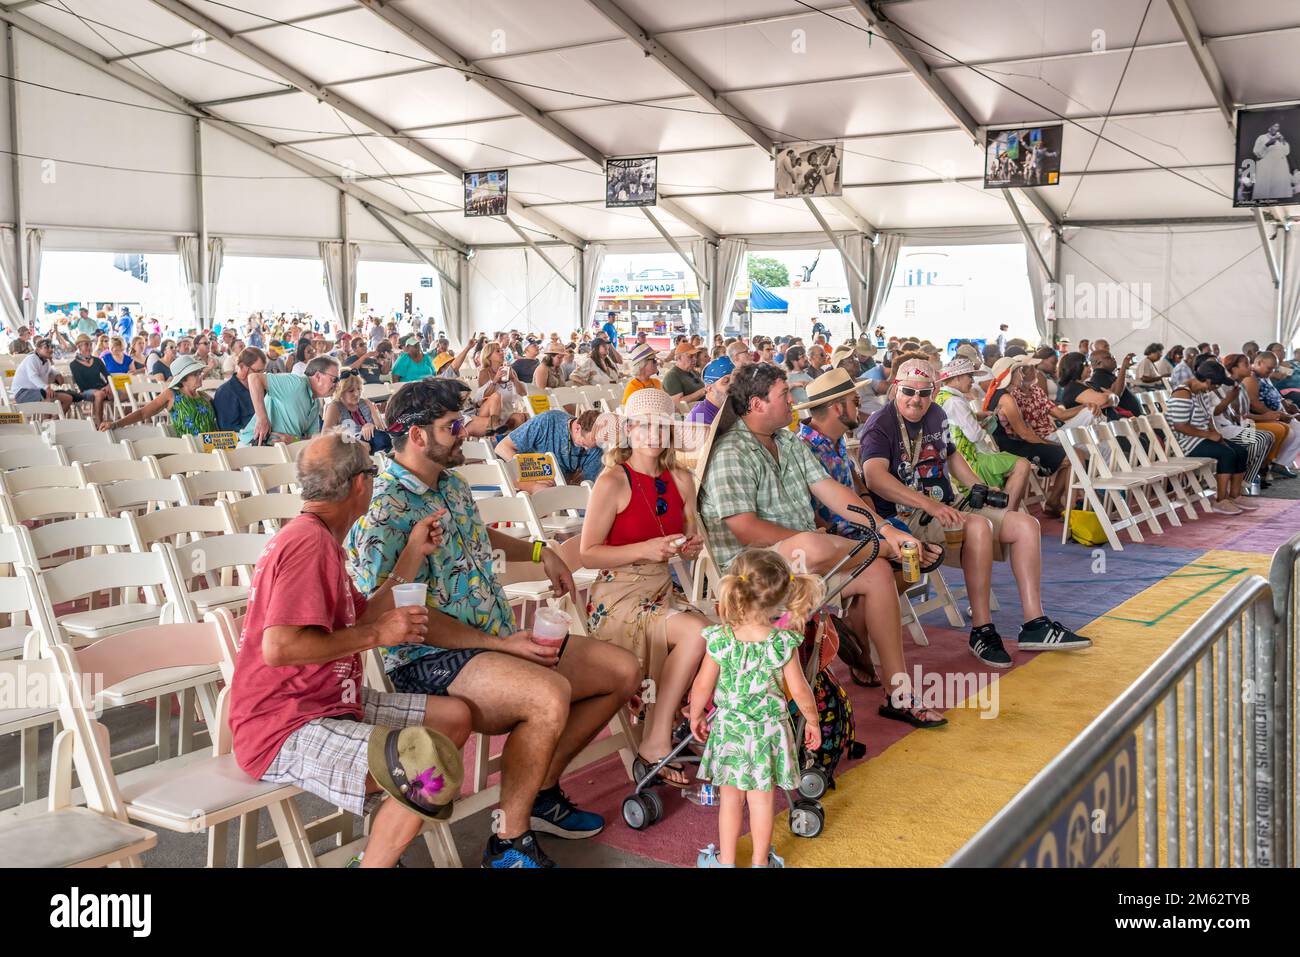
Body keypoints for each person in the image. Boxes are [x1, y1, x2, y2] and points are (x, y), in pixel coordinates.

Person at [345, 379, 640, 868]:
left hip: (493, 640)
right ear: (417, 436)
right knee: (546, 696)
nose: (464, 431)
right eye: (451, 425)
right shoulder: (384, 510)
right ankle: (509, 840)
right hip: (427, 661)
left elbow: (477, 534)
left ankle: (539, 788)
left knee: (621, 671)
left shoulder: (452, 484)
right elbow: (392, 614)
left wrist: (540, 551)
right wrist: (500, 645)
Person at [227, 431, 470, 868]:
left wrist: (412, 553)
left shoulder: (320, 540)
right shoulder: (307, 544)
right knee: (423, 764)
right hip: (284, 724)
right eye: (373, 474)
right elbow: (279, 647)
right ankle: (375, 862)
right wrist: (380, 636)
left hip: (329, 702)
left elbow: (363, 616)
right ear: (360, 484)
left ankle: (382, 837)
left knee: (454, 719)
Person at [698, 362, 933, 712]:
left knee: (878, 573)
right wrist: (874, 539)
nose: (792, 402)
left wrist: (882, 525)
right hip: (750, 572)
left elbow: (832, 491)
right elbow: (746, 529)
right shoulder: (730, 452)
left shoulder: (787, 440)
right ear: (756, 404)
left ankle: (899, 694)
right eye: (784, 395)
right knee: (815, 543)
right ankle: (882, 549)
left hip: (800, 559)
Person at [862, 358, 1091, 667]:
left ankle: (1034, 623)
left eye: (925, 392)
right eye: (908, 391)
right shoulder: (881, 423)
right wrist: (930, 504)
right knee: (979, 526)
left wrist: (977, 487)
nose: (916, 399)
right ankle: (982, 630)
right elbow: (874, 477)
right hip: (905, 519)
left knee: (1026, 525)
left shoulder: (936, 414)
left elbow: (952, 457)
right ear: (894, 389)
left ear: (936, 390)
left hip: (945, 504)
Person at [794, 368, 946, 722]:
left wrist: (881, 522)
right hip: (834, 538)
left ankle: (855, 634)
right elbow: (813, 513)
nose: (858, 405)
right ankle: (864, 654)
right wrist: (879, 532)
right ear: (835, 408)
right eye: (852, 400)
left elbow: (857, 484)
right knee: (905, 557)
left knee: (916, 560)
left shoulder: (829, 443)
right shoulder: (803, 448)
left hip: (857, 531)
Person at [579, 388, 709, 787]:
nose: (652, 433)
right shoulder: (613, 480)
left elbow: (688, 548)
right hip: (617, 597)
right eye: (643, 425)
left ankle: (684, 724)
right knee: (700, 632)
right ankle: (655, 741)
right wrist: (646, 549)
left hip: (661, 591)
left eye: (662, 426)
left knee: (724, 633)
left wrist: (690, 547)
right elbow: (588, 555)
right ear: (629, 429)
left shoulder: (682, 479)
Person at [689, 548, 820, 869]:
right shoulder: (781, 643)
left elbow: (702, 686)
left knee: (730, 800)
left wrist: (695, 715)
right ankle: (761, 862)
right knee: (762, 802)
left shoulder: (721, 639)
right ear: (781, 596)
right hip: (768, 733)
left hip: (731, 730)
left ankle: (725, 861)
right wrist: (813, 721)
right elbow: (800, 691)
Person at [934, 358, 1030, 509]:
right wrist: (986, 425)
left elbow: (955, 422)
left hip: (957, 459)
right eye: (970, 376)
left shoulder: (941, 397)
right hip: (972, 460)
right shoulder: (955, 402)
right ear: (958, 377)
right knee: (1023, 464)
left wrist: (977, 416)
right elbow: (975, 435)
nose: (973, 381)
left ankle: (1003, 509)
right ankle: (1008, 513)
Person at [1166, 359, 1249, 514]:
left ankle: (1235, 495)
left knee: (1241, 451)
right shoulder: (1182, 394)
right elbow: (1180, 426)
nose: (1216, 388)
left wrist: (1214, 431)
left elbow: (1207, 417)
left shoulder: (1201, 392)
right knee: (1227, 454)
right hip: (1185, 442)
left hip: (1201, 437)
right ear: (1209, 381)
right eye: (1216, 385)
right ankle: (1220, 500)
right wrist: (1208, 434)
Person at [101, 354, 218, 437]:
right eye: (195, 374)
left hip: (214, 446)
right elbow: (143, 413)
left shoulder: (204, 396)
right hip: (190, 446)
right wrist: (115, 424)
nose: (200, 376)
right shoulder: (172, 394)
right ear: (183, 379)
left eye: (199, 373)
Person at [494, 408, 603, 491]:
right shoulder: (547, 421)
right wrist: (533, 482)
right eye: (584, 444)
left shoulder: (595, 448)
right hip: (521, 475)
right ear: (577, 428)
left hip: (557, 487)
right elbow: (502, 448)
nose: (587, 449)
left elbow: (587, 488)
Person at [243, 355, 340, 445]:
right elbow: (254, 378)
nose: (337, 384)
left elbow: (312, 439)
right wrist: (262, 418)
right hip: (255, 445)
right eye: (334, 380)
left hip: (280, 452)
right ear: (318, 376)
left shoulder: (315, 403)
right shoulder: (295, 383)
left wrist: (295, 440)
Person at [1245, 349, 1300, 474]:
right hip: (1259, 417)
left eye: (1273, 369)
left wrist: (1286, 405)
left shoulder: (1264, 376)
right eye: (1269, 368)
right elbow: (1254, 404)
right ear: (1259, 363)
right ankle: (1271, 465)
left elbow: (1275, 394)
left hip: (1275, 415)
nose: (1271, 372)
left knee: (1296, 429)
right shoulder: (1251, 378)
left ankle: (1280, 463)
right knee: (1289, 431)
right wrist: (1275, 415)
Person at [323, 371, 391, 453]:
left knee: (383, 438)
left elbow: (381, 428)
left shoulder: (366, 402)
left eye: (359, 389)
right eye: (351, 391)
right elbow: (325, 436)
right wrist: (356, 443)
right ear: (340, 392)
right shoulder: (335, 407)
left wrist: (371, 425)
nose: (356, 393)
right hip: (350, 452)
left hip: (375, 449)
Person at [11, 337, 74, 413]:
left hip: (38, 392)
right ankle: (47, 422)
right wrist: (46, 388)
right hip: (23, 393)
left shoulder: (46, 362)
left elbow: (51, 370)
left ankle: (53, 421)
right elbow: (33, 377)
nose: (50, 350)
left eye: (51, 347)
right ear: (38, 349)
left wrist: (57, 374)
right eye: (46, 347)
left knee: (68, 399)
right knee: (49, 399)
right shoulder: (31, 359)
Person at [213, 346, 266, 433]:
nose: (260, 375)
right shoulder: (226, 392)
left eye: (263, 371)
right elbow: (228, 429)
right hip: (245, 442)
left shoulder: (262, 386)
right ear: (242, 366)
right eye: (257, 371)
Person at [68, 334, 114, 426]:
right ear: (79, 347)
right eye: (86, 344)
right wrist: (101, 389)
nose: (89, 347)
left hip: (102, 388)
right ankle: (99, 424)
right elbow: (82, 385)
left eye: (90, 344)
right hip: (86, 391)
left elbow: (108, 376)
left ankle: (119, 421)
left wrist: (108, 385)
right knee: (100, 394)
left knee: (123, 393)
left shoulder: (97, 360)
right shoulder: (74, 364)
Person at [686, 356, 733, 425]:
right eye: (726, 381)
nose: (734, 386)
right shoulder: (699, 418)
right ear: (709, 387)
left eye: (735, 381)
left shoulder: (725, 410)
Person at [1253, 122, 1292, 201]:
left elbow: (1286, 152)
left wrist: (1283, 141)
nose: (1277, 128)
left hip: (1280, 169)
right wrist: (1267, 144)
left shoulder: (1280, 139)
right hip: (1266, 169)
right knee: (1266, 191)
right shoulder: (1262, 138)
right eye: (1274, 126)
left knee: (1279, 191)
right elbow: (1257, 153)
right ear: (1269, 127)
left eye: (1278, 126)